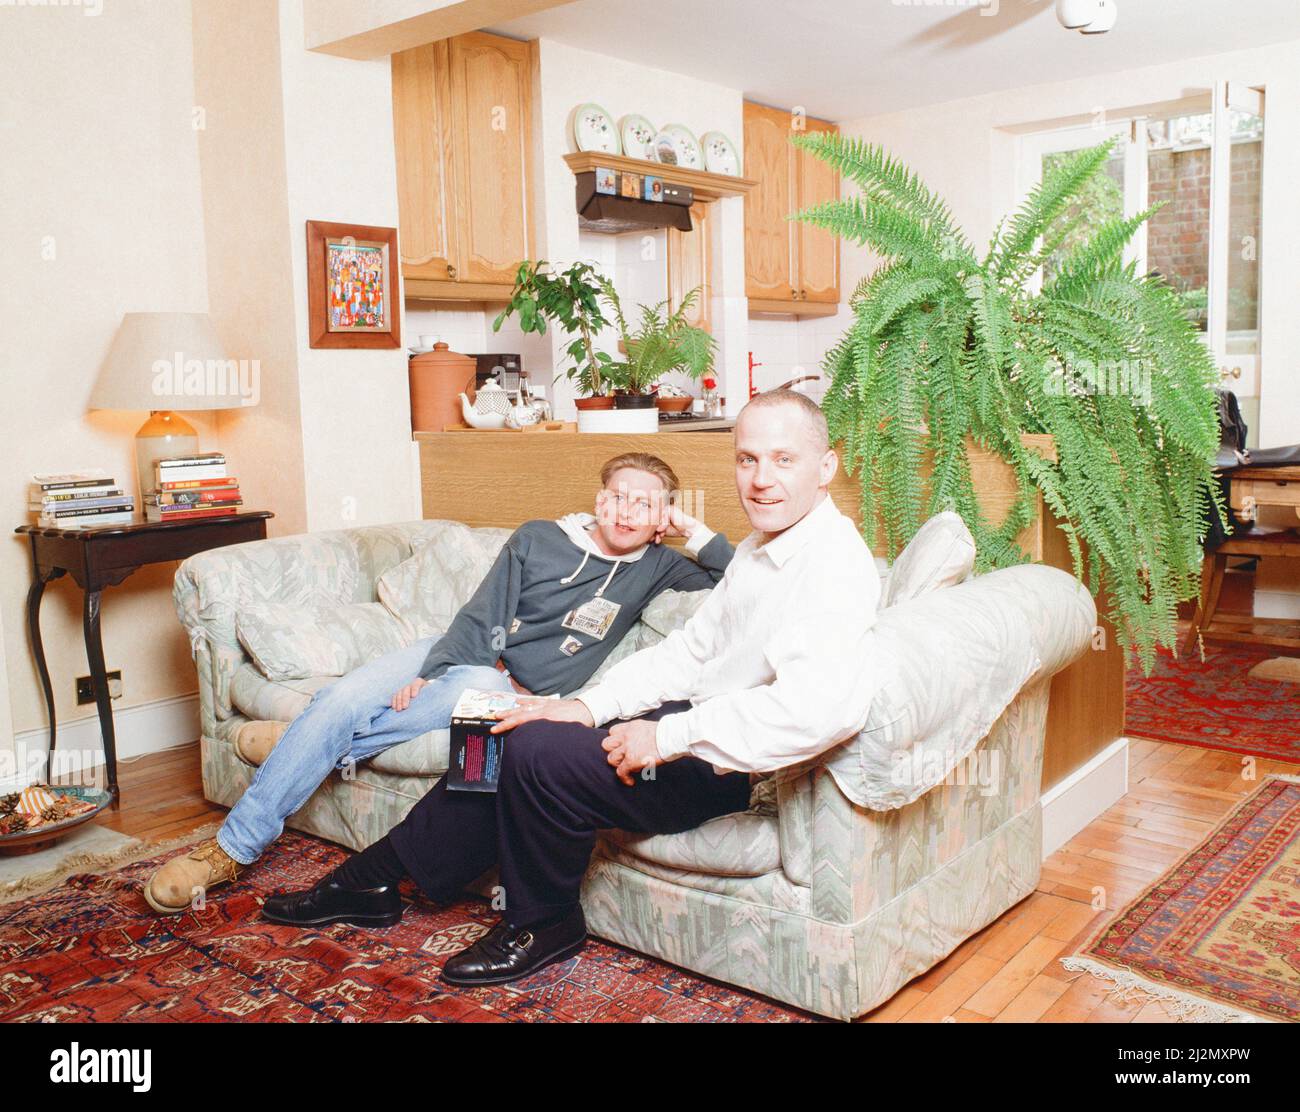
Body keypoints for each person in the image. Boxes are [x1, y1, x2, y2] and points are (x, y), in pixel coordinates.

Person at [264, 391, 881, 989]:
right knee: (504, 730)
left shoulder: (830, 564)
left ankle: (544, 920)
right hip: (691, 721)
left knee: (532, 751)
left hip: (727, 762)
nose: (761, 478)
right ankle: (374, 880)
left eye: (783, 459)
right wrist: (584, 706)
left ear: (825, 467)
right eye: (747, 459)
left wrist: (665, 737)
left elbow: (818, 711)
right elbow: (688, 653)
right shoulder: (762, 548)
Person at [144, 453, 733, 915]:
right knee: (342, 697)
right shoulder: (539, 537)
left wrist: (690, 526)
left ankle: (304, 751)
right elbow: (483, 612)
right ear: (600, 499)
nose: (627, 512)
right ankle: (232, 846)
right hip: (463, 653)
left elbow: (736, 571)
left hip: (516, 692)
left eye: (645, 505)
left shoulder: (661, 566)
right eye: (618, 497)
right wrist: (435, 669)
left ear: (662, 520)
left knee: (470, 700)